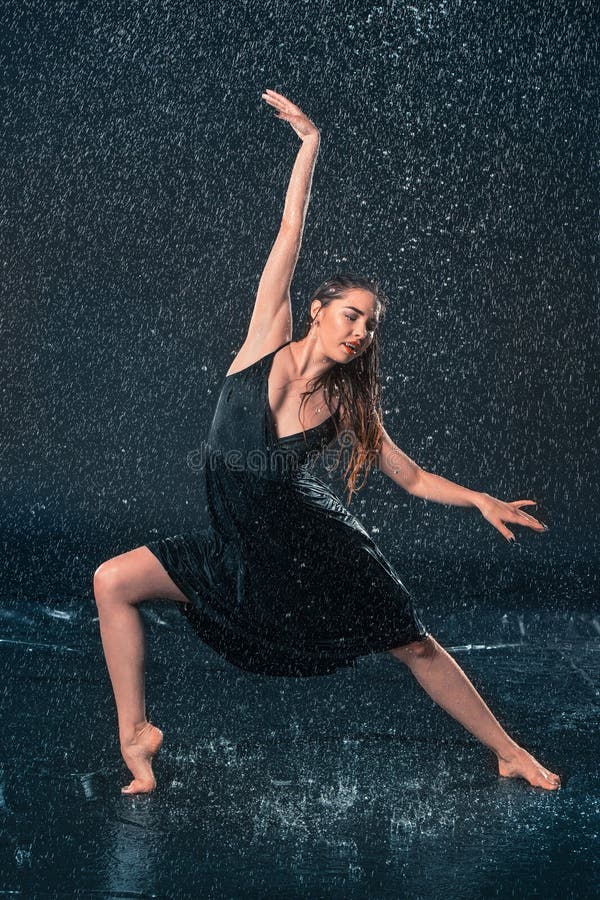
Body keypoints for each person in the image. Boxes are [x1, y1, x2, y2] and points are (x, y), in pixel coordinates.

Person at [93, 89, 561, 796]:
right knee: (112, 582)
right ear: (317, 309)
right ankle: (137, 735)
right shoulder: (262, 342)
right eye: (350, 315)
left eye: (370, 325)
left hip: (313, 549)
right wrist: (309, 144)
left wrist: (478, 499)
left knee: (412, 643)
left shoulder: (346, 404)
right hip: (236, 551)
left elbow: (408, 475)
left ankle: (510, 752)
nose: (359, 331)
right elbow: (290, 230)